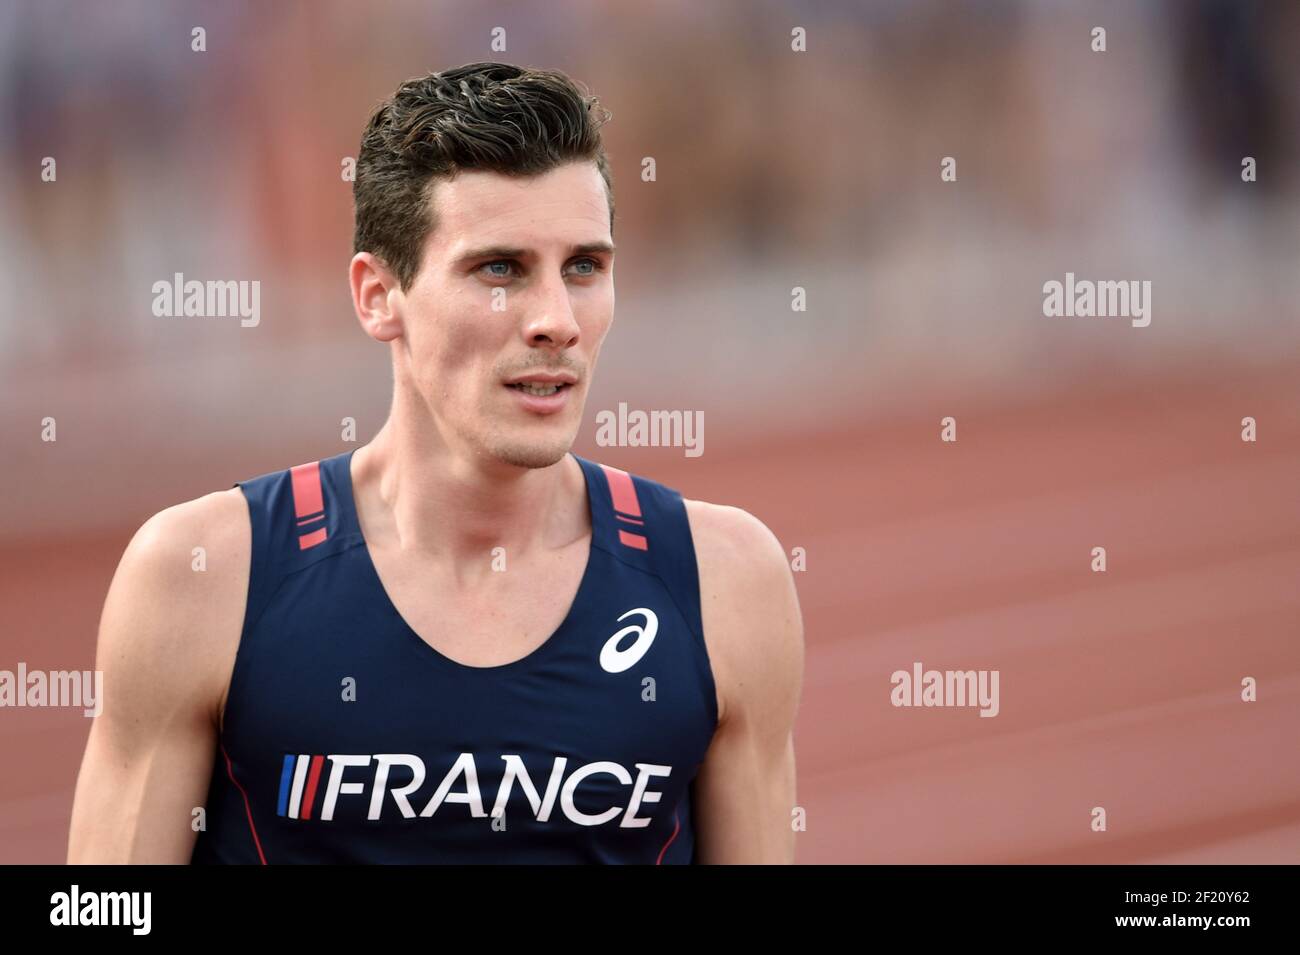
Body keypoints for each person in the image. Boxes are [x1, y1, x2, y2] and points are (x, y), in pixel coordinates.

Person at [67, 62, 804, 863]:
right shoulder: (202, 577)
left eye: (584, 266)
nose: (557, 320)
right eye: (500, 269)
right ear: (378, 295)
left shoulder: (726, 583)